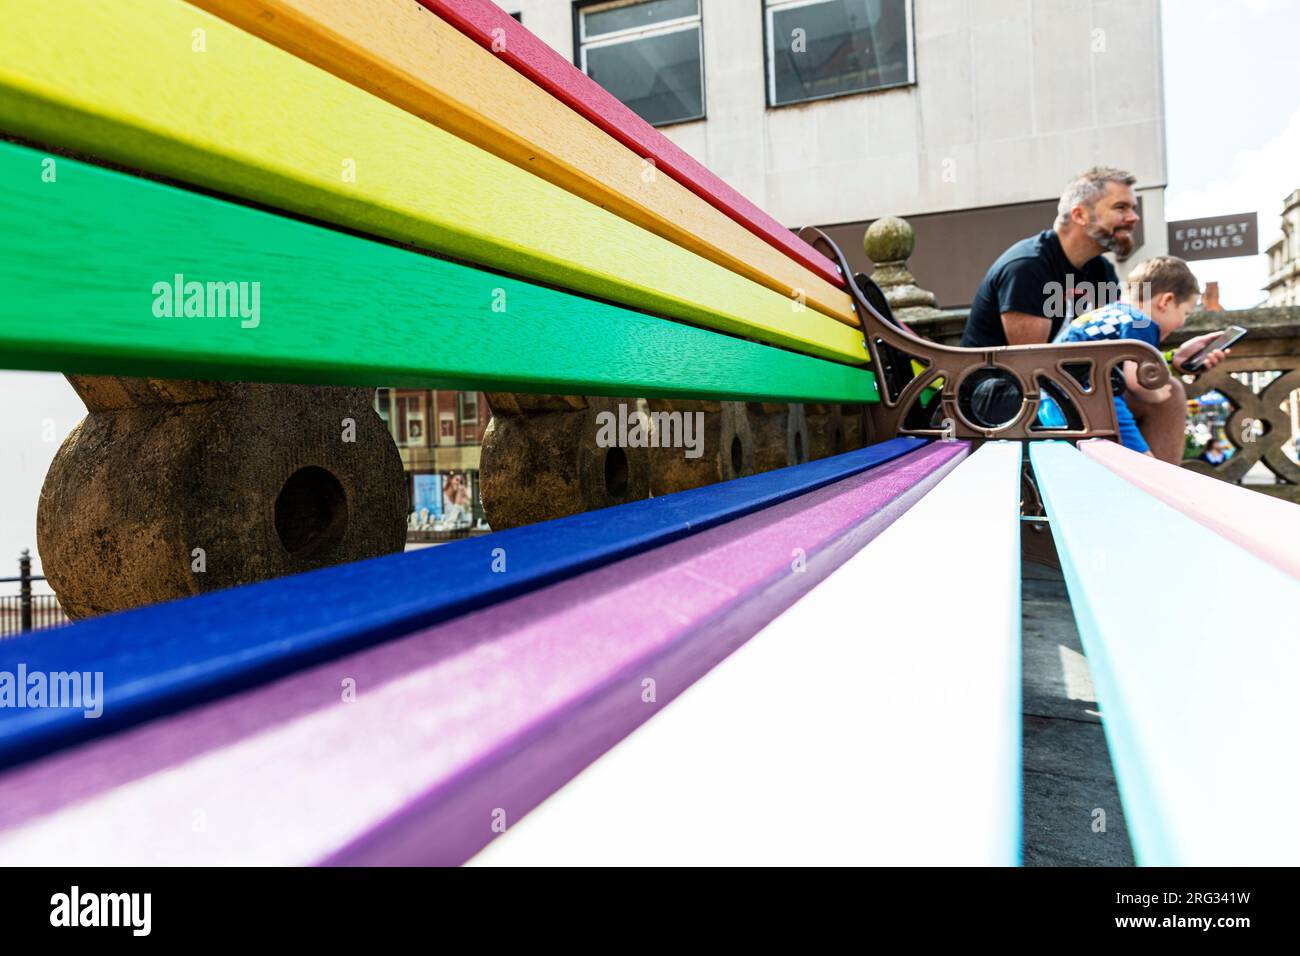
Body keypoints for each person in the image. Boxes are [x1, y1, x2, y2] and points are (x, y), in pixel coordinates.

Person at [1042, 256, 1231, 460]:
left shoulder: (1108, 313)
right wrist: (1156, 395)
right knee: (1144, 462)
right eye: (1185, 313)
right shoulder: (1142, 322)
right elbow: (1135, 379)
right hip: (1092, 399)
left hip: (1051, 401)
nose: (1181, 323)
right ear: (1166, 301)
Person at [962, 166, 1140, 349]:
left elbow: (1111, 343)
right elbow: (1032, 364)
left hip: (1061, 374)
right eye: (1121, 208)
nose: (1134, 217)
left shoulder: (1101, 270)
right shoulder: (1027, 267)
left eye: (1133, 208)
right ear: (1080, 215)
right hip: (1001, 376)